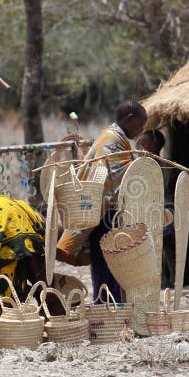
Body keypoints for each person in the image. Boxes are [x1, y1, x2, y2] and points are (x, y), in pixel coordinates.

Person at [56, 100, 148, 301]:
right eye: (140, 125)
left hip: (106, 212)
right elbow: (114, 176)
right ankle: (108, 310)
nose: (141, 130)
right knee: (108, 263)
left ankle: (111, 308)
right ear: (129, 119)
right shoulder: (111, 142)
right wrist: (142, 167)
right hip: (104, 214)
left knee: (111, 262)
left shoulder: (115, 140)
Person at [136, 129, 176, 287]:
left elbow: (166, 189)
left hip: (164, 208)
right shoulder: (142, 165)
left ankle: (172, 277)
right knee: (153, 245)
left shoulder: (164, 167)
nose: (141, 148)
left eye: (143, 144)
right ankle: (162, 278)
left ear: (154, 145)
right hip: (149, 209)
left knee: (166, 245)